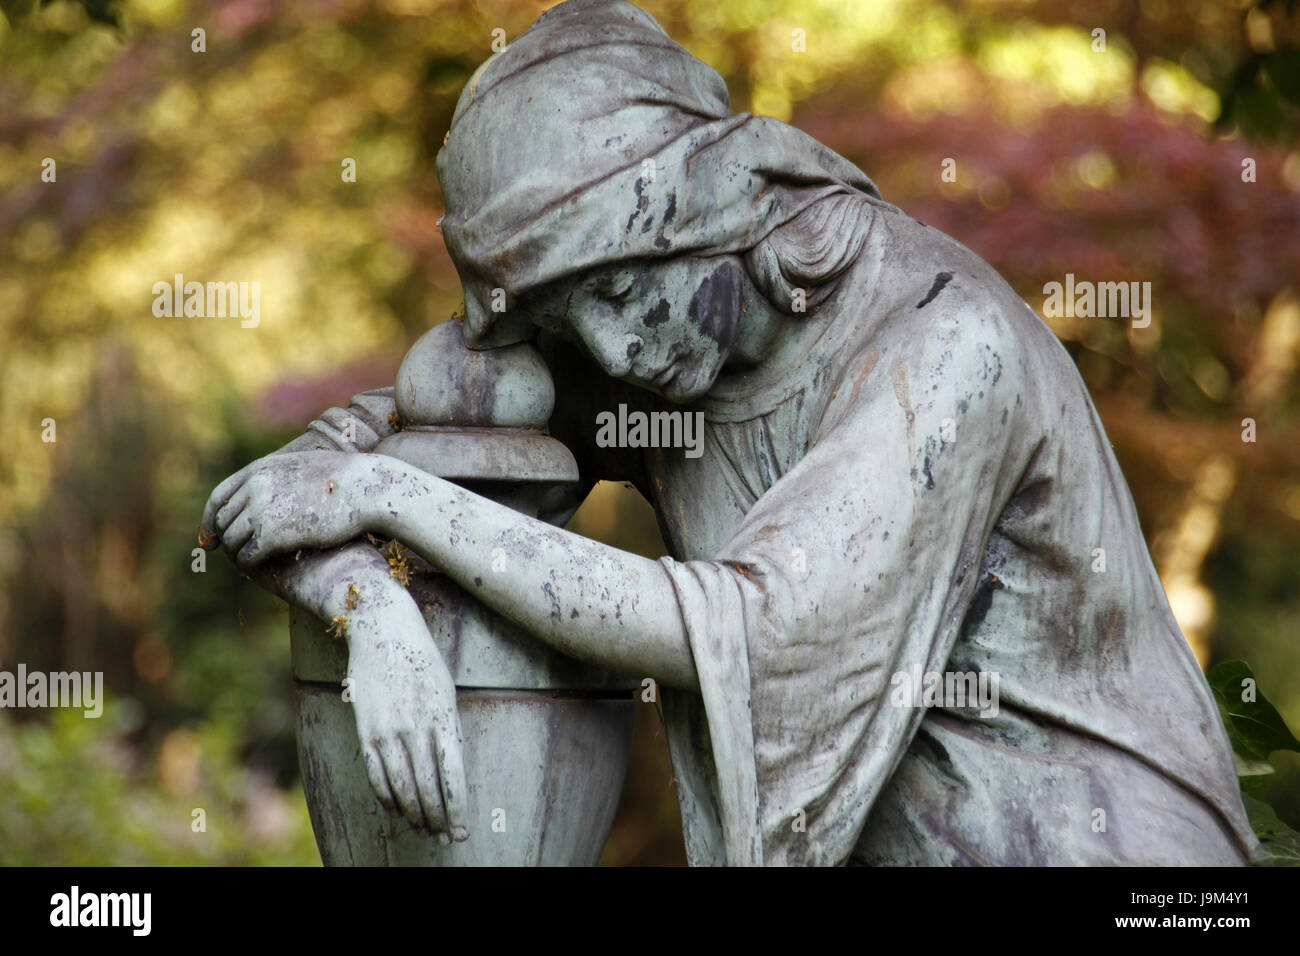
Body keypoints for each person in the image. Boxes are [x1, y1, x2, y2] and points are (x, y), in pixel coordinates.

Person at [202, 0, 1255, 865]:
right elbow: (288, 488)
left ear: (711, 200)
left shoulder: (942, 343)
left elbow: (747, 626)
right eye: (569, 318)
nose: (609, 354)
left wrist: (392, 503)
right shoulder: (663, 356)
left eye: (618, 288)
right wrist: (368, 608)